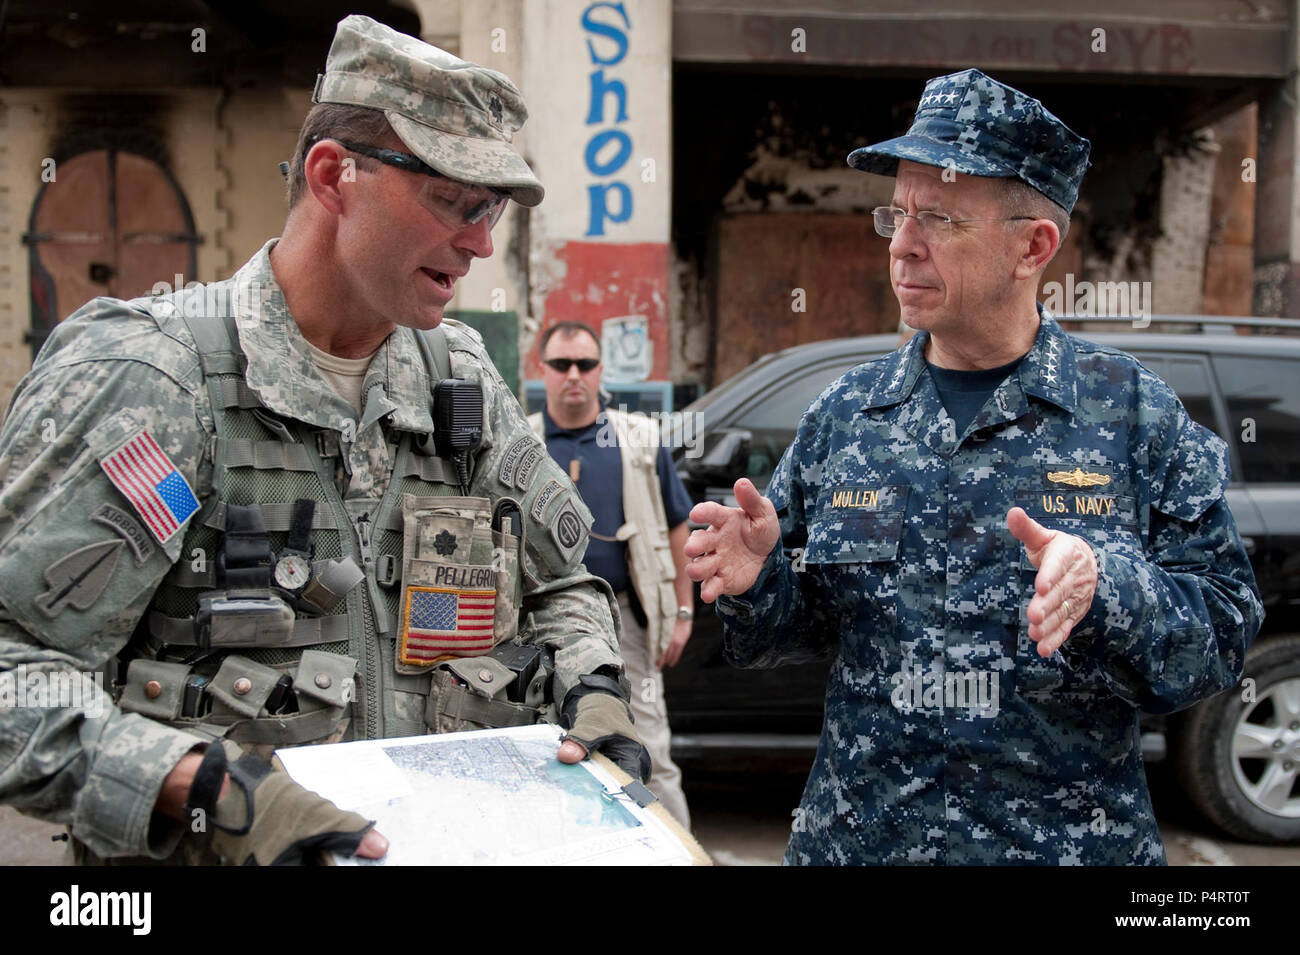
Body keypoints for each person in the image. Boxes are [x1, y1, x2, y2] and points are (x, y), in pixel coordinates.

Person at [0, 14, 646, 866]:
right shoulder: (156, 378)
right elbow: (17, 670)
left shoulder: (459, 376)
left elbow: (560, 584)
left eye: (490, 210)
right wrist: (201, 786)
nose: (481, 242)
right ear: (335, 176)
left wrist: (592, 685)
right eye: (455, 201)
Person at [685, 68, 1263, 865]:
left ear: (1034, 246)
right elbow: (807, 626)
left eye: (941, 218)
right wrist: (760, 583)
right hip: (863, 844)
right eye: (897, 212)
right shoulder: (847, 415)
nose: (902, 242)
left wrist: (1105, 587)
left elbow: (1224, 632)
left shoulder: (1135, 415)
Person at [527, 321, 694, 829]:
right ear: (544, 371)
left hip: (625, 624)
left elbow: (676, 527)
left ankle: (674, 855)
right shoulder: (523, 443)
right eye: (561, 364)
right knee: (548, 749)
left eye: (585, 364)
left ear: (601, 370)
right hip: (538, 625)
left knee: (650, 750)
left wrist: (683, 612)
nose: (573, 375)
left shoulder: (640, 440)